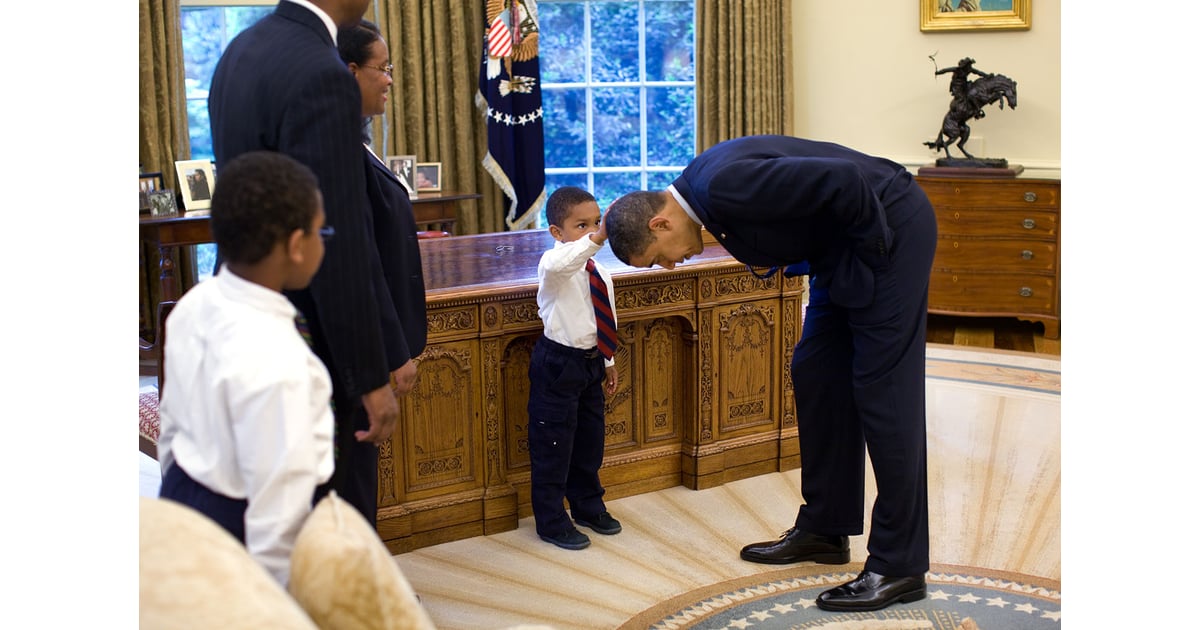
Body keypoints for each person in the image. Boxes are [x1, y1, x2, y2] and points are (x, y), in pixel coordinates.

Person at [604, 135, 937, 612]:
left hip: (887, 231)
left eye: (659, 256)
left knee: (885, 396)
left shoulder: (722, 185)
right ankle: (826, 528)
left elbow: (848, 180)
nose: (670, 264)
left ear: (660, 222)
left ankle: (899, 565)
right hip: (844, 247)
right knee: (817, 372)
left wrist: (875, 258)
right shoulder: (705, 193)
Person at [208, 0, 402, 525]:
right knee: (332, 521)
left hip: (246, 319)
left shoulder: (240, 51)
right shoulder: (321, 72)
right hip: (312, 343)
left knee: (270, 507)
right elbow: (337, 239)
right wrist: (368, 376)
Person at [157, 150, 334, 587]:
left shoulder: (193, 304)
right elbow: (279, 508)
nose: (323, 242)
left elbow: (170, 427)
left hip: (182, 493)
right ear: (296, 246)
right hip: (241, 526)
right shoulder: (281, 360)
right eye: (320, 231)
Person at [527, 186, 622, 550]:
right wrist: (597, 238)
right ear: (557, 232)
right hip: (558, 364)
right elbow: (562, 262)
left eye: (596, 222)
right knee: (553, 443)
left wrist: (608, 360)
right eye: (580, 225)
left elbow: (604, 315)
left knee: (589, 440)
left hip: (591, 363)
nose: (591, 230)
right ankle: (551, 520)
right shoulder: (553, 266)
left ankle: (588, 505)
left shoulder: (598, 270)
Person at [337, 19, 426, 397]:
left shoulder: (355, 138)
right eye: (383, 68)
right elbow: (361, 262)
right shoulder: (338, 151)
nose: (390, 80)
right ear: (351, 71)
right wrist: (393, 352)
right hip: (367, 353)